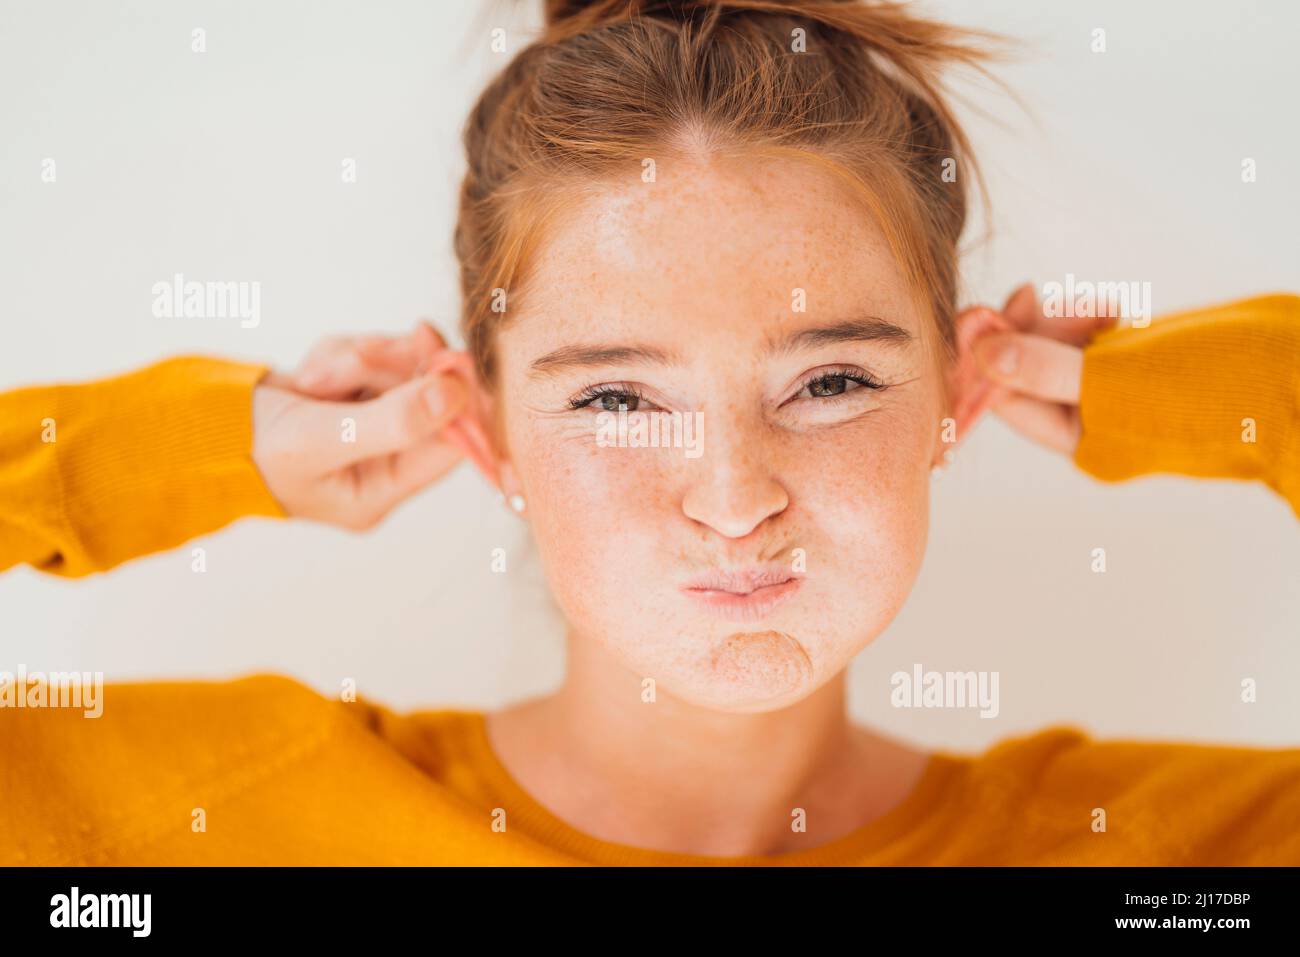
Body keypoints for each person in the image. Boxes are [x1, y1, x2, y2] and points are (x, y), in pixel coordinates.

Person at [1, 0, 1296, 866]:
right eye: (616, 398)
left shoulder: (1168, 853)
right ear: (483, 430)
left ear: (961, 396)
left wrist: (1211, 391)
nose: (735, 498)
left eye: (832, 380)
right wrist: (168, 452)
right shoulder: (206, 818)